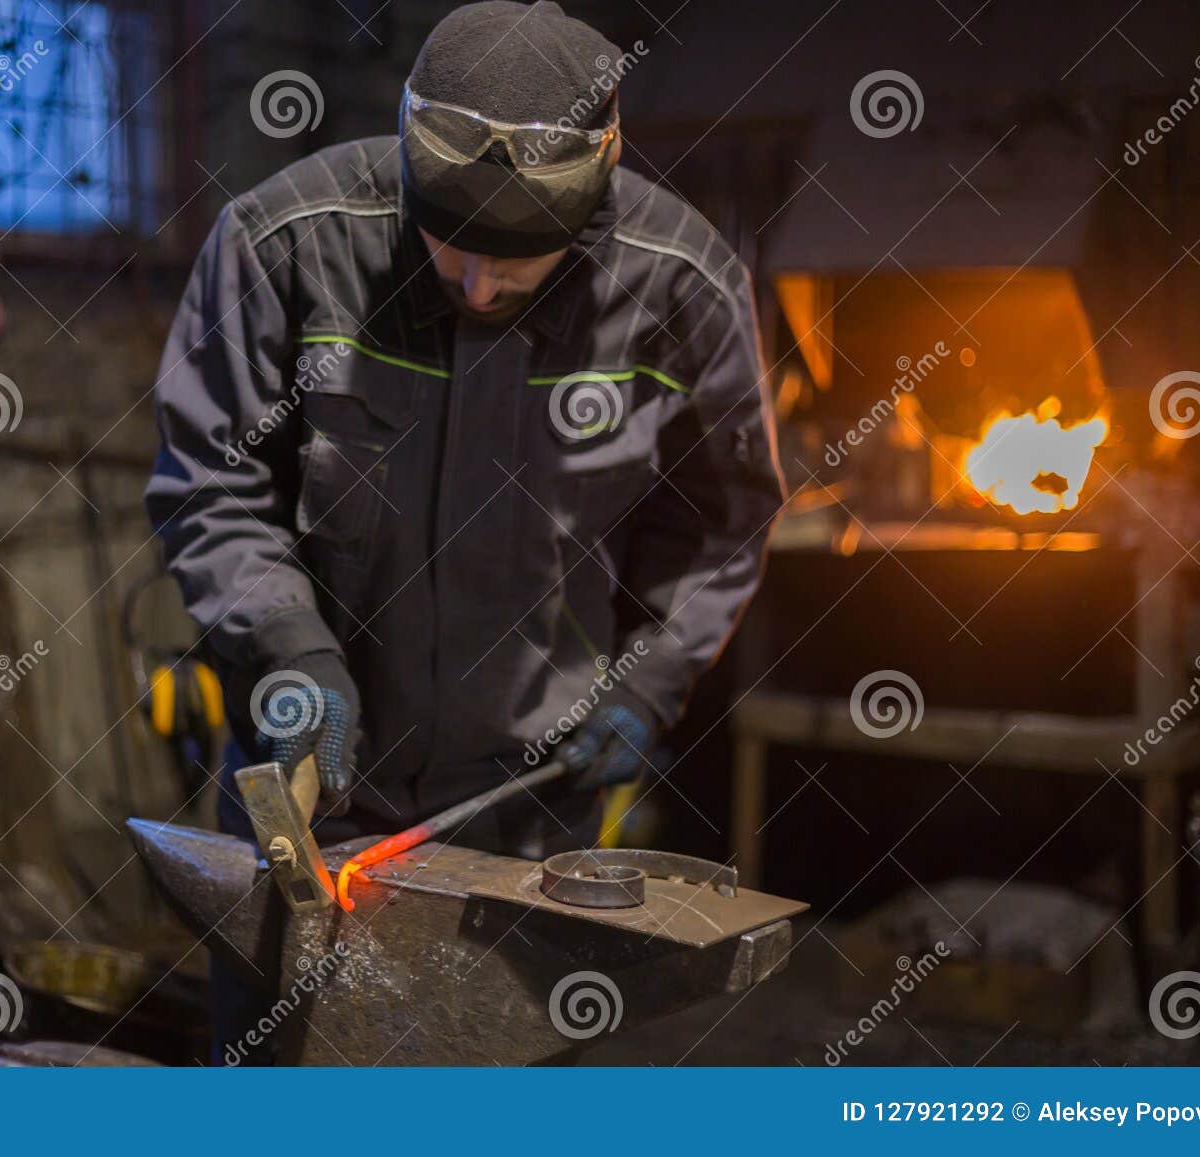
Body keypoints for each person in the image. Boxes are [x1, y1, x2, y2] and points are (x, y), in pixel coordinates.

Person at [145, 1, 784, 1059]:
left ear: (586, 219)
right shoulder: (286, 243)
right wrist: (288, 648)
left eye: (514, 268)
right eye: (449, 256)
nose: (479, 287)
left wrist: (647, 680)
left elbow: (722, 519)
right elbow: (210, 482)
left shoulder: (681, 285)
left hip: (531, 832)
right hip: (317, 810)